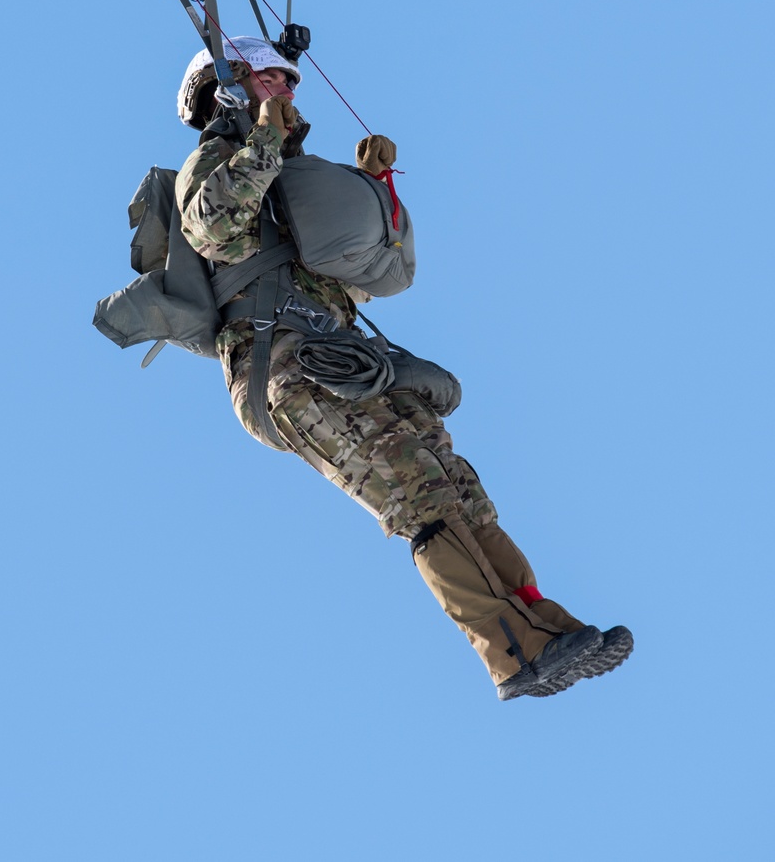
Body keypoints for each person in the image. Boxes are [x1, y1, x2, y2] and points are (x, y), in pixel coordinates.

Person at [175, 36, 632, 700]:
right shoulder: (214, 163)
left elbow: (338, 283)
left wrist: (371, 195)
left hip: (341, 355)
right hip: (287, 367)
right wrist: (266, 143)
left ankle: (545, 624)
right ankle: (510, 652)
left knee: (460, 494)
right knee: (418, 499)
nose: (292, 92)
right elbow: (213, 230)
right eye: (277, 79)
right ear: (237, 85)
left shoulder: (285, 179)